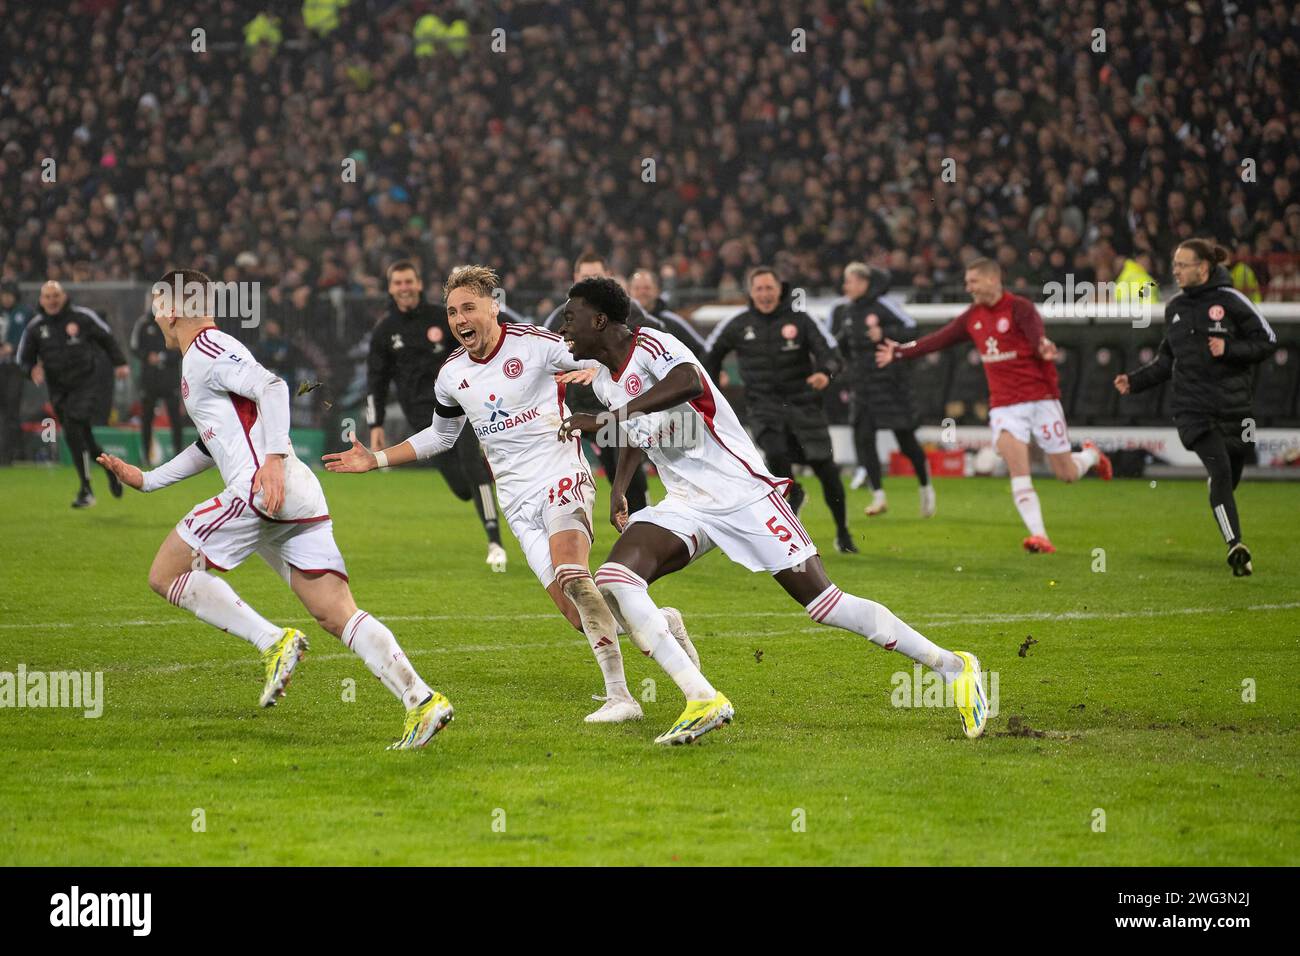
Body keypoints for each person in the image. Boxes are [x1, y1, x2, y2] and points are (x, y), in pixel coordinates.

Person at [556, 278, 988, 743]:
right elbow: (637, 429)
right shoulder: (603, 380)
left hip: (743, 493)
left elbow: (690, 382)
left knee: (826, 605)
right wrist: (620, 488)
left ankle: (952, 665)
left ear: (600, 320)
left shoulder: (654, 344)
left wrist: (605, 421)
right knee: (616, 578)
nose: (564, 326)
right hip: (685, 502)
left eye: (570, 316)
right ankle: (702, 698)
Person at [325, 265, 700, 726]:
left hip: (562, 476)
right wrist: (377, 459)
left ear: (493, 306)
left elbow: (601, 350)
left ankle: (621, 697)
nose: (460, 319)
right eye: (452, 311)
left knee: (574, 576)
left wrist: (593, 368)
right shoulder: (452, 376)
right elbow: (442, 436)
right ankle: (662, 623)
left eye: (469, 307)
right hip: (518, 502)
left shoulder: (537, 344)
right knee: (581, 614)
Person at [97, 269, 452, 750]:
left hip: (262, 488)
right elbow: (211, 444)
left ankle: (272, 641)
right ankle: (422, 700)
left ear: (170, 308)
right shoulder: (207, 357)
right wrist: (148, 480)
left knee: (164, 574)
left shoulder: (206, 351)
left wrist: (273, 460)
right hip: (293, 492)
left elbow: (276, 387)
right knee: (336, 614)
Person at [878, 258, 1113, 553]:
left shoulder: (1020, 308)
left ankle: (1090, 456)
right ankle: (1040, 536)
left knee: (1066, 474)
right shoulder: (972, 317)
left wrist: (1043, 347)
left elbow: (1037, 336)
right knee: (1018, 468)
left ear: (992, 280)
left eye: (973, 281)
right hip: (1005, 406)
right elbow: (937, 340)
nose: (968, 287)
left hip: (1041, 400)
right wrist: (900, 352)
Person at [1114, 239, 1277, 576]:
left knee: (1228, 476)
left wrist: (1229, 348)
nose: (1175, 270)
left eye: (1182, 264)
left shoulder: (1232, 301)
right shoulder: (1174, 308)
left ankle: (1219, 501)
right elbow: (1165, 361)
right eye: (1174, 264)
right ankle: (1236, 547)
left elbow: (1267, 341)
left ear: (1203, 268)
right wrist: (1134, 381)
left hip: (1235, 410)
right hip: (1191, 409)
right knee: (1219, 472)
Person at [703, 266, 857, 554]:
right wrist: (713, 382)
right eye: (759, 289)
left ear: (779, 289)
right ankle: (792, 509)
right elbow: (707, 357)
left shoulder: (802, 321)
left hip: (803, 405)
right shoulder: (736, 324)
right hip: (763, 407)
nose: (764, 294)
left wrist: (825, 372)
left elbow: (832, 354)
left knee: (827, 470)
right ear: (751, 292)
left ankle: (843, 532)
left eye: (769, 288)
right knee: (774, 454)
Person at [365, 260, 507, 571]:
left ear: (418, 284)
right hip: (423, 419)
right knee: (461, 488)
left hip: (461, 404)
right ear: (390, 289)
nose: (404, 288)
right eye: (397, 283)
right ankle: (490, 468)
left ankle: (495, 541)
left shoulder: (442, 317)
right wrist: (374, 423)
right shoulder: (384, 331)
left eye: (408, 281)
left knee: (473, 468)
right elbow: (376, 380)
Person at [830, 263, 935, 517]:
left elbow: (912, 328)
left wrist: (885, 333)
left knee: (906, 442)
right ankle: (878, 496)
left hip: (890, 384)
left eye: (850, 281)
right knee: (864, 439)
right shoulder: (845, 311)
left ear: (864, 283)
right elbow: (839, 344)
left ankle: (925, 487)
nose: (846, 287)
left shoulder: (884, 305)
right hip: (862, 387)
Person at [16, 281, 130, 507]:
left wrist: (120, 363)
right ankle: (111, 472)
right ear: (41, 300)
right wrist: (31, 370)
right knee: (83, 437)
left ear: (64, 296)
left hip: (86, 384)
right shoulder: (36, 327)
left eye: (55, 295)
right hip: (58, 390)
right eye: (47, 296)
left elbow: (106, 337)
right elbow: (23, 358)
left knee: (73, 427)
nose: (52, 300)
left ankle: (86, 490)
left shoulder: (82, 317)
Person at [130, 298, 185, 465]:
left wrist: (162, 357)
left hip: (170, 378)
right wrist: (147, 356)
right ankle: (146, 456)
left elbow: (183, 346)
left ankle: (179, 456)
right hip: (150, 380)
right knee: (146, 418)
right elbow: (134, 347)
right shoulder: (143, 323)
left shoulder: (175, 322)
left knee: (176, 418)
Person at [0, 281, 34, 465]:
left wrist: (12, 347)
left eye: (8, 294)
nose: (5, 298)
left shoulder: (24, 312)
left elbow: (27, 335)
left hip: (14, 367)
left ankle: (9, 454)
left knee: (12, 411)